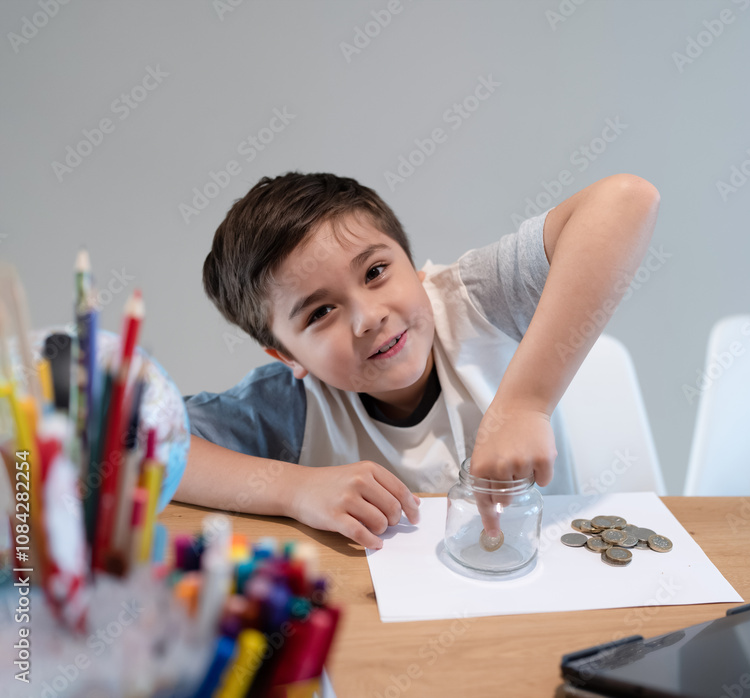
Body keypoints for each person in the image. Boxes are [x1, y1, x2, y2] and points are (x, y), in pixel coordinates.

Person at [177, 171, 660, 549]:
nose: (368, 317)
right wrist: (296, 490)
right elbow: (142, 444)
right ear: (287, 356)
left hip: (546, 577)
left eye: (375, 271)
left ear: (416, 267)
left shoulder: (479, 302)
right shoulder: (289, 406)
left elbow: (627, 200)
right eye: (320, 312)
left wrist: (525, 404)